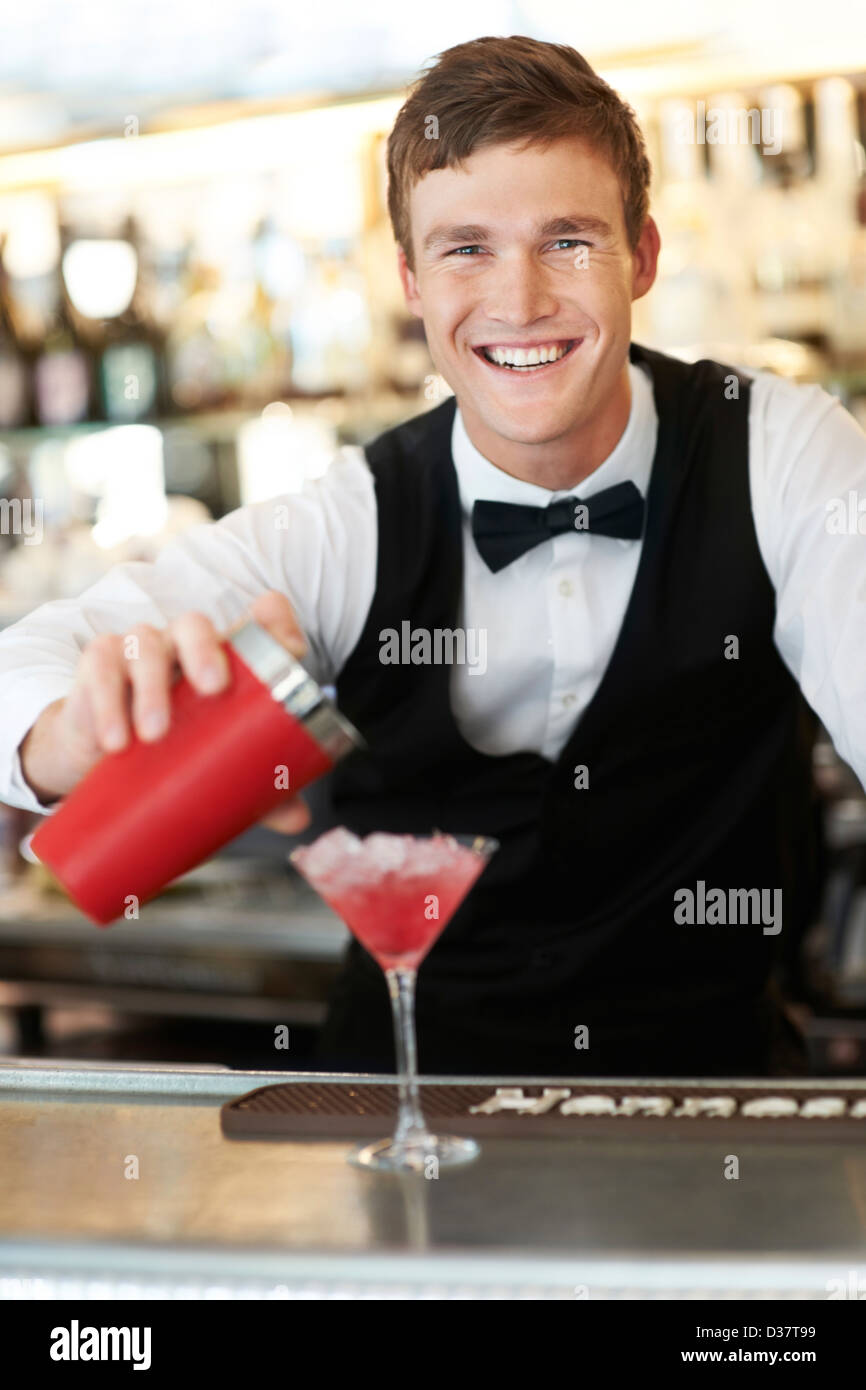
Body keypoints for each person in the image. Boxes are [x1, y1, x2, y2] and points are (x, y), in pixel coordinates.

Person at [2, 35, 865, 1078]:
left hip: (704, 1106)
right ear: (410, 282)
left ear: (640, 254)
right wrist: (72, 733)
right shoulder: (349, 520)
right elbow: (31, 658)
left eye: (567, 241)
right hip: (401, 1108)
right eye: (465, 249)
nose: (517, 300)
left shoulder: (776, 449)